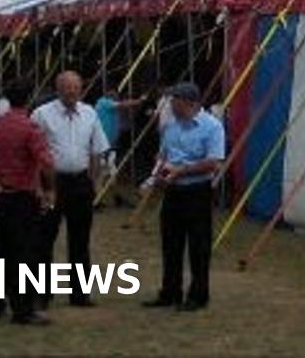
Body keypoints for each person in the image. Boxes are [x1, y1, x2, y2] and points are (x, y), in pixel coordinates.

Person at [141, 82, 224, 312]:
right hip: (173, 190)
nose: (170, 106)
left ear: (190, 103)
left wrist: (183, 170)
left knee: (198, 245)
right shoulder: (171, 127)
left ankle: (198, 295)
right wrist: (155, 177)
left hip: (197, 191)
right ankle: (170, 292)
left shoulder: (212, 127)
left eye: (174, 102)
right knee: (171, 243)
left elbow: (214, 162)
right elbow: (163, 156)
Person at [31, 71, 110, 308]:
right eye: (67, 87)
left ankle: (80, 293)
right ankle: (41, 293)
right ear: (58, 89)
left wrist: (95, 183)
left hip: (80, 183)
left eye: (76, 87)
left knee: (80, 240)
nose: (72, 92)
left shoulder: (90, 113)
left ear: (81, 89)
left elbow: (97, 150)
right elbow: (32, 154)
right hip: (52, 183)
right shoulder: (41, 114)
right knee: (44, 239)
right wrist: (38, 187)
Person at [0, 78, 54, 326]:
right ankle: (23, 309)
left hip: (1, 196)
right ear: (29, 99)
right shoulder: (30, 128)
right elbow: (46, 162)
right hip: (23, 197)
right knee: (25, 254)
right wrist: (49, 188)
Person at [94, 89, 143, 207]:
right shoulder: (103, 102)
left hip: (109, 146)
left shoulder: (111, 107)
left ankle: (109, 198)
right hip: (103, 146)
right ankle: (98, 200)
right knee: (103, 174)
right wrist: (139, 101)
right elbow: (123, 104)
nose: (116, 96)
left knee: (109, 174)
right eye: (114, 94)